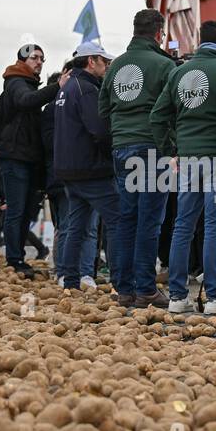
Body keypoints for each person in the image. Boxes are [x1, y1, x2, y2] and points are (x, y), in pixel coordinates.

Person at [151, 20, 216, 316]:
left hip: (187, 160)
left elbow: (157, 117)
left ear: (200, 40)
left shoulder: (179, 72)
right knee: (214, 227)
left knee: (182, 225)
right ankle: (214, 297)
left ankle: (177, 296)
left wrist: (172, 150)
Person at [100, 9, 176, 307]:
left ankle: (124, 289)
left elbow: (103, 109)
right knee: (149, 221)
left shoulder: (116, 66)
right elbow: (173, 109)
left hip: (122, 147)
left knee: (125, 220)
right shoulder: (163, 65)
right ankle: (146, 288)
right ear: (159, 32)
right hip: (151, 148)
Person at [54, 42, 125, 295]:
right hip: (91, 169)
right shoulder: (86, 89)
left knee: (76, 225)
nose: (106, 66)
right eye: (103, 61)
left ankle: (70, 280)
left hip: (69, 169)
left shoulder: (68, 87)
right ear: (91, 61)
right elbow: (99, 130)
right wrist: (113, 155)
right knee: (117, 221)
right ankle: (122, 282)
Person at [0, 43, 62, 277]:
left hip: (26, 157)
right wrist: (56, 87)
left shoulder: (26, 83)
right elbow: (26, 100)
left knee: (24, 211)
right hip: (15, 156)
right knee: (16, 210)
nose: (39, 61)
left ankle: (18, 257)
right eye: (34, 57)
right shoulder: (16, 82)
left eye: (42, 58)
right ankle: (14, 259)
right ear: (22, 60)